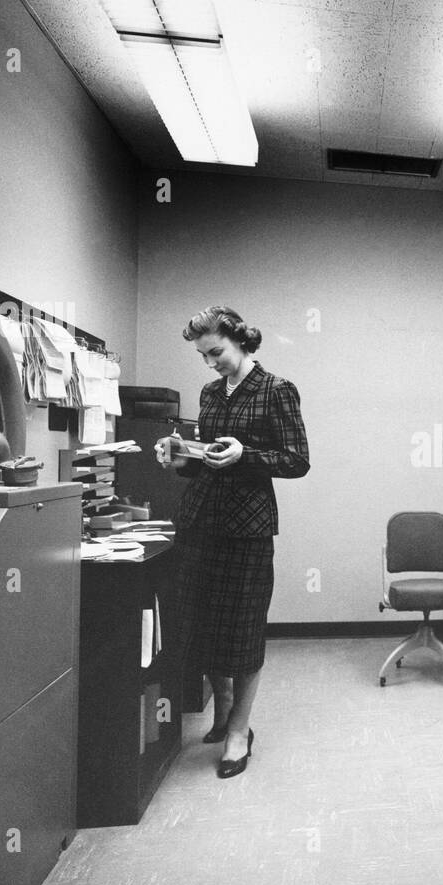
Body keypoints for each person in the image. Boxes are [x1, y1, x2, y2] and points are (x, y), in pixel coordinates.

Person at [155, 307, 309, 779]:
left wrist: (247, 455)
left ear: (241, 341)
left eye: (216, 352)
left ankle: (240, 730)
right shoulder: (209, 392)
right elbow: (208, 460)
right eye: (203, 356)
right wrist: (180, 458)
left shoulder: (276, 389)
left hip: (247, 527)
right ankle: (221, 705)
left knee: (243, 631)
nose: (210, 363)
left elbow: (297, 460)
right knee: (200, 624)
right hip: (201, 519)